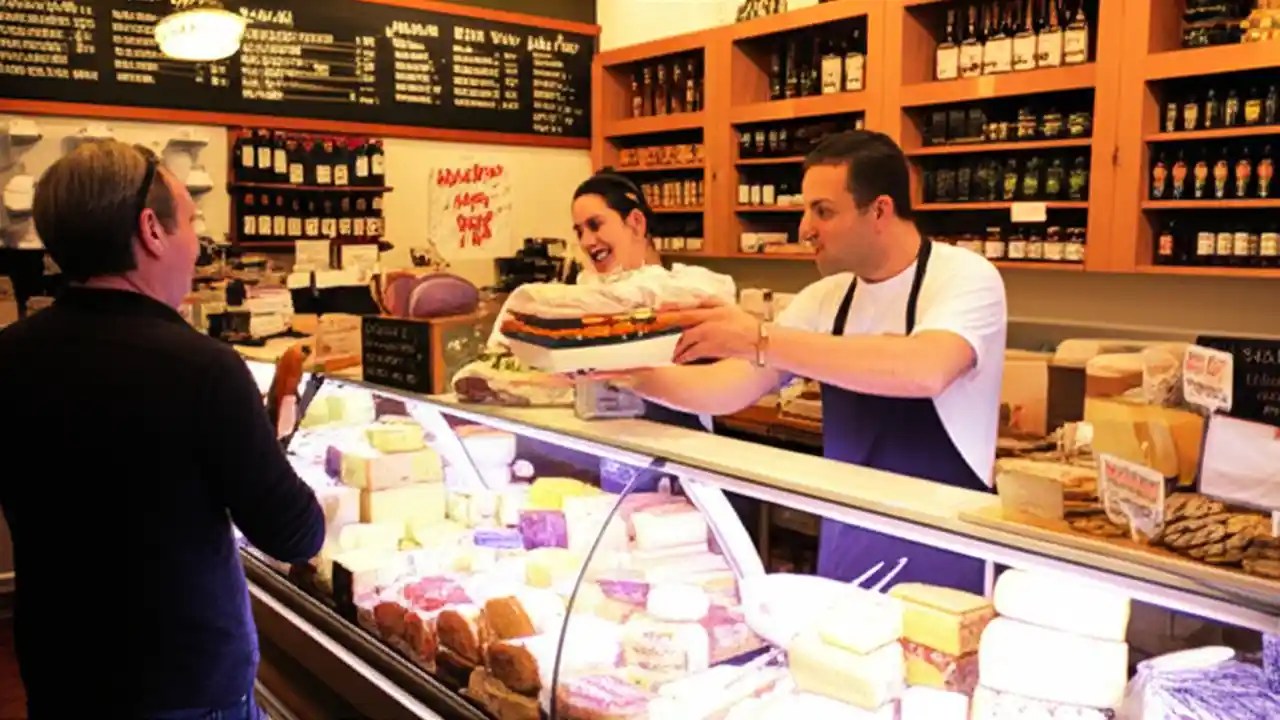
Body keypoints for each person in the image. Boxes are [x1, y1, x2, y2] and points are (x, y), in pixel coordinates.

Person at [0, 140, 325, 718]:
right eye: (193, 223)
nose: (198, 247)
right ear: (151, 230)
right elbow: (294, 535)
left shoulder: (8, 355)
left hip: (60, 671)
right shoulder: (203, 368)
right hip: (185, 685)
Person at [623, 130, 1008, 594]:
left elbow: (924, 369)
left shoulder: (965, 276)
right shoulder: (826, 296)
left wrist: (760, 336)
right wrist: (626, 374)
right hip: (848, 535)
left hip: (943, 551)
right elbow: (727, 390)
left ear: (880, 210)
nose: (805, 228)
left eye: (822, 212)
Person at [488, 169, 710, 432]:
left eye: (595, 225)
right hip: (601, 440)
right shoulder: (584, 298)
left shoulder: (686, 293)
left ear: (636, 223)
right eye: (579, 232)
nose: (586, 241)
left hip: (673, 441)